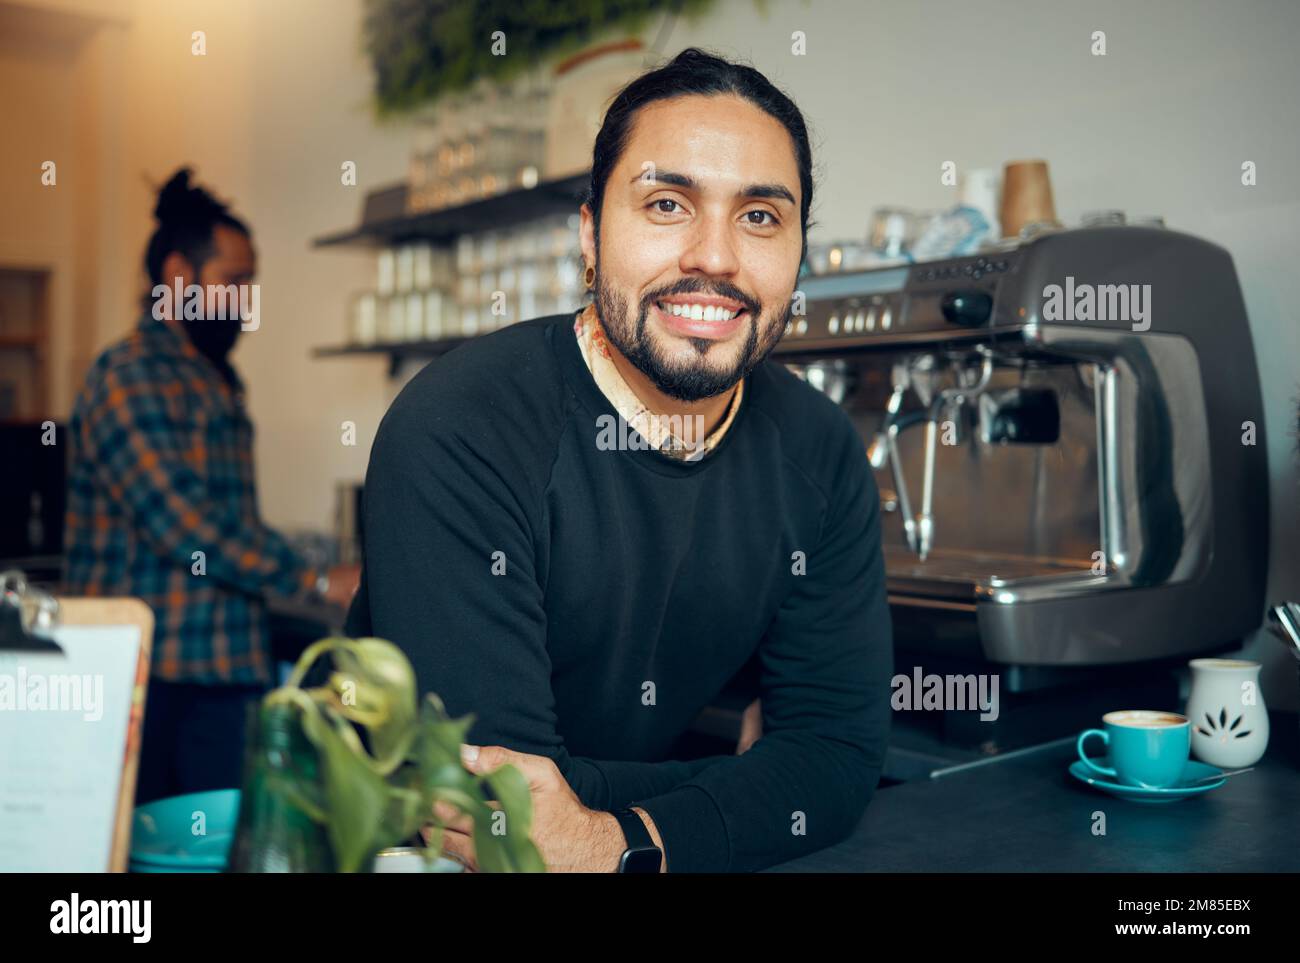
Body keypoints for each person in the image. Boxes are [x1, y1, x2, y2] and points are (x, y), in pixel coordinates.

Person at [346, 48, 893, 872]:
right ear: (591, 235)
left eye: (760, 216)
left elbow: (839, 762)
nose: (715, 256)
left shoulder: (821, 451)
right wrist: (749, 784)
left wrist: (617, 837)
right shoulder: (463, 425)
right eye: (668, 203)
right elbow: (494, 814)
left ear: (798, 253)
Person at [64, 169, 359, 804]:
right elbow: (184, 523)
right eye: (235, 281)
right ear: (179, 277)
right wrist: (313, 578)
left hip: (224, 672)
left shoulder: (215, 377)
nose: (247, 300)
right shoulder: (128, 376)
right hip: (152, 683)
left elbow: (229, 523)